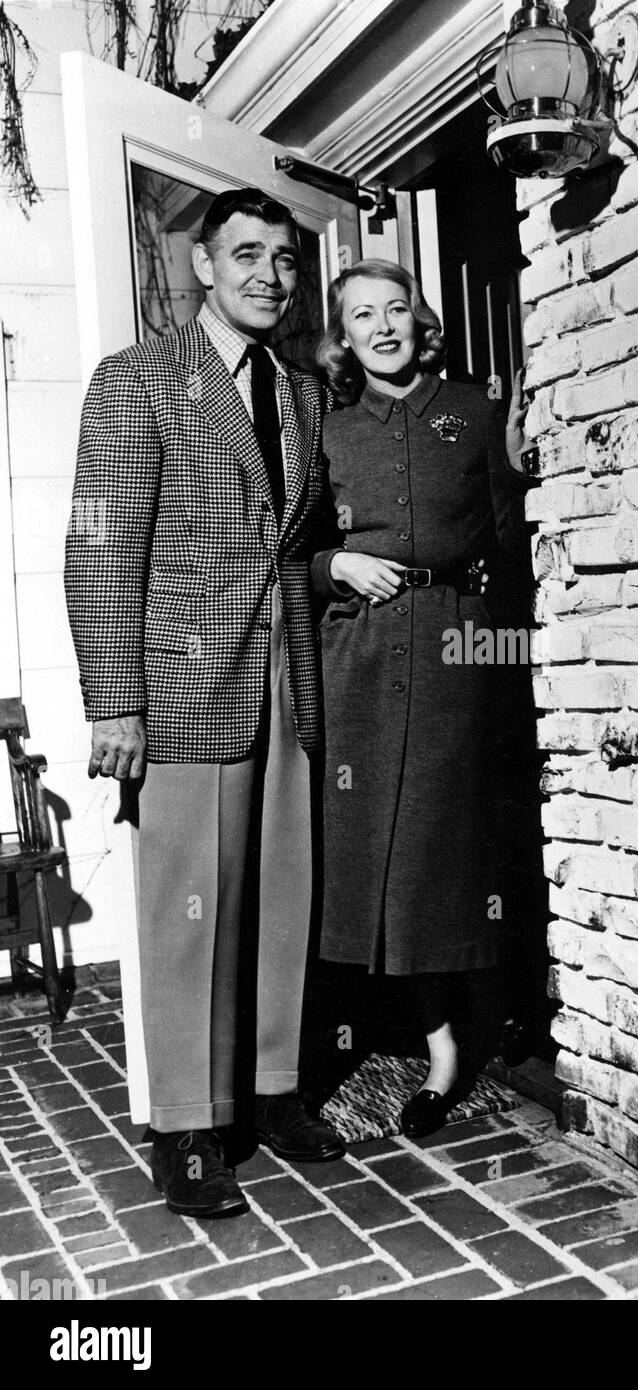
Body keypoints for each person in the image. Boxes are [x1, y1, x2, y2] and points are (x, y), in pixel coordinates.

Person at [64, 187, 345, 1219]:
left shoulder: (301, 392)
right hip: (181, 681)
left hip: (285, 676)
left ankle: (271, 1093)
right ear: (200, 266)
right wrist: (114, 702)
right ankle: (185, 1127)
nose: (268, 275)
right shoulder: (135, 383)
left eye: (282, 257)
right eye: (246, 255)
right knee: (186, 911)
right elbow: (97, 545)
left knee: (281, 890)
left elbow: (294, 547)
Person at [311, 258, 539, 1138]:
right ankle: (442, 1044)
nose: (382, 327)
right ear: (343, 335)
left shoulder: (474, 412)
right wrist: (337, 565)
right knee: (388, 863)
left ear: (421, 320)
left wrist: (520, 473)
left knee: (454, 856)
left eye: (396, 309)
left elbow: (513, 542)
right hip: (361, 663)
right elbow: (291, 554)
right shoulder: (326, 432)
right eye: (362, 314)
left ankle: (481, 1028)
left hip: (457, 651)